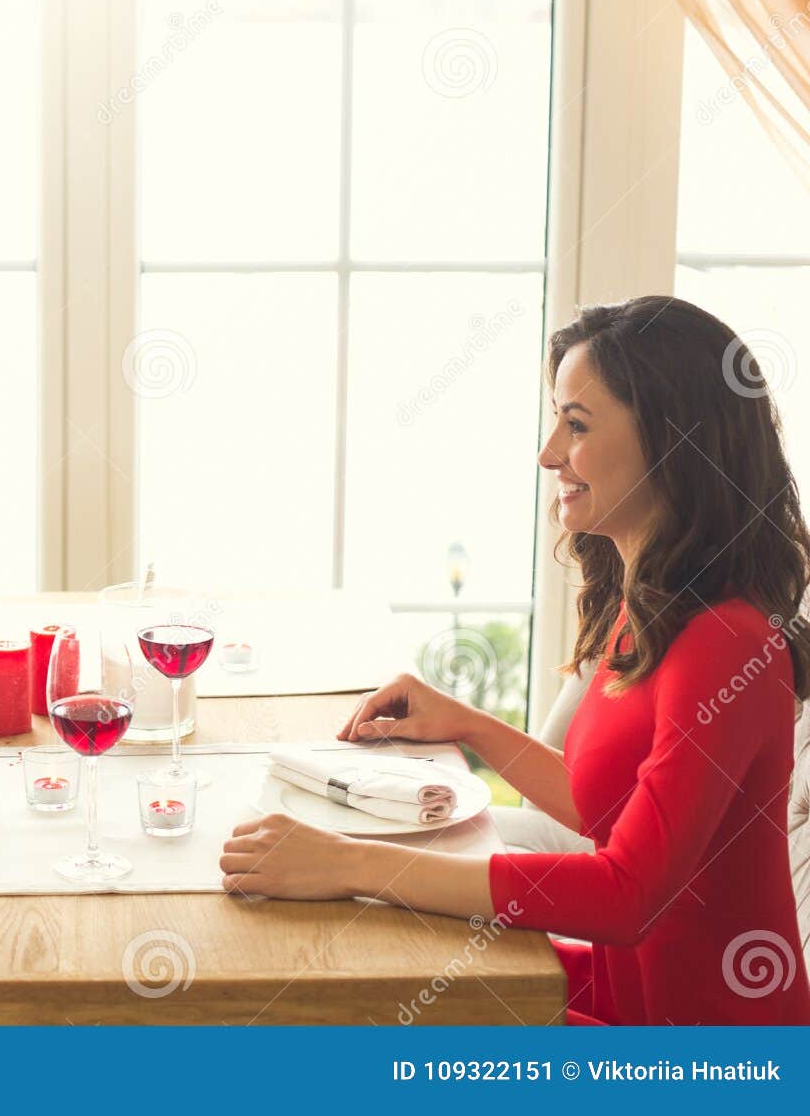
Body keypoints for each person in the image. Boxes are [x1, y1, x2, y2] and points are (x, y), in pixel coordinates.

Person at [221, 296, 810, 1025]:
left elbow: (628, 893)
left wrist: (348, 862)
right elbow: (613, 809)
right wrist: (468, 724)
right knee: (347, 1006)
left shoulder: (728, 642)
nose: (549, 453)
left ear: (672, 439)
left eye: (577, 425)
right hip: (631, 1006)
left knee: (342, 1032)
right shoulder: (654, 607)